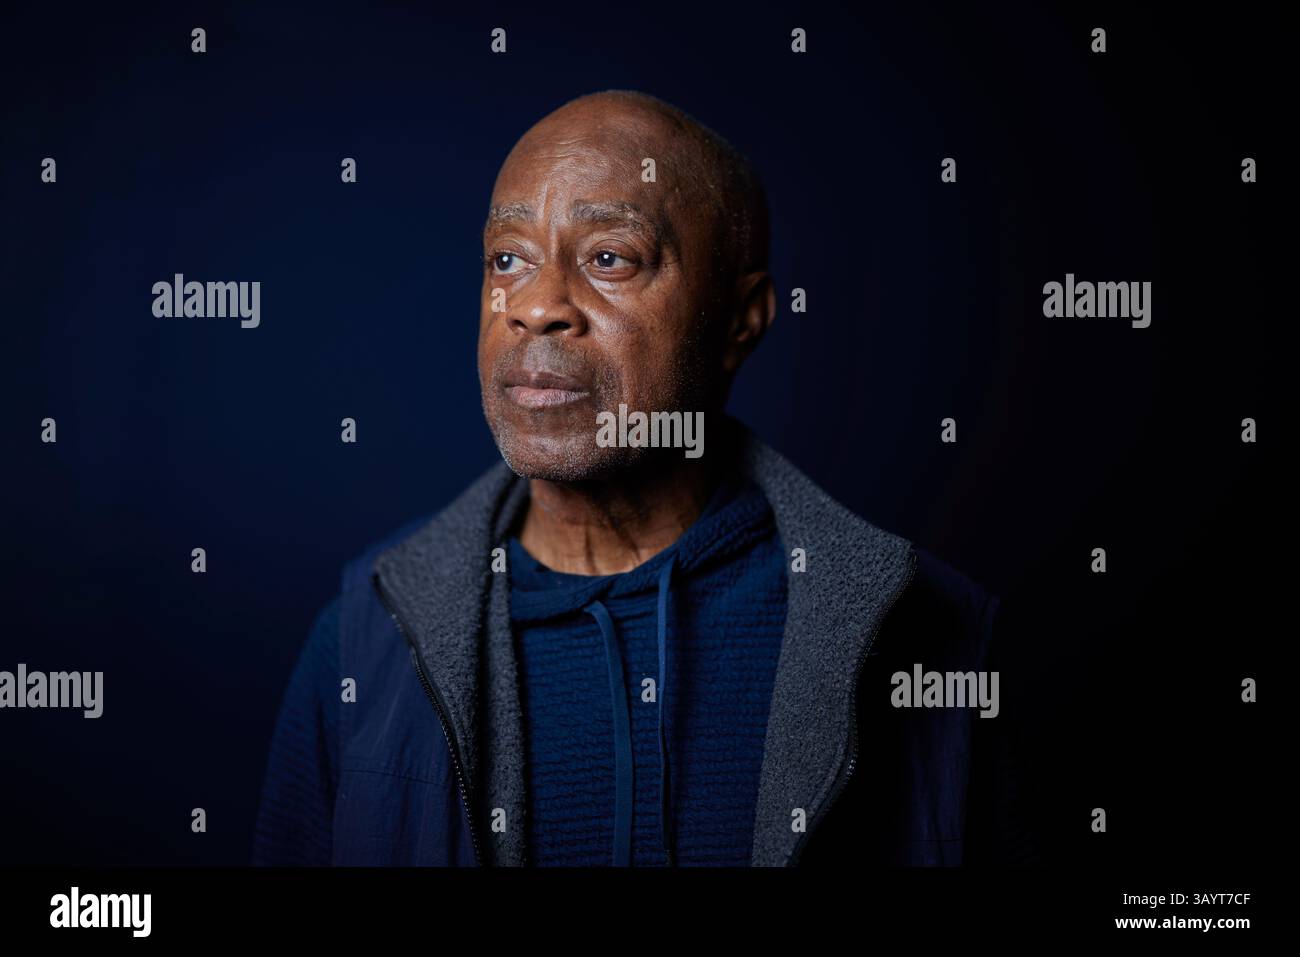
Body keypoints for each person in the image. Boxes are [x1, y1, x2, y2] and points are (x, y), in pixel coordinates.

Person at [252, 89, 1034, 867]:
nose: (537, 305)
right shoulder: (364, 645)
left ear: (741, 319)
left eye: (608, 258)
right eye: (508, 259)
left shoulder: (933, 636)